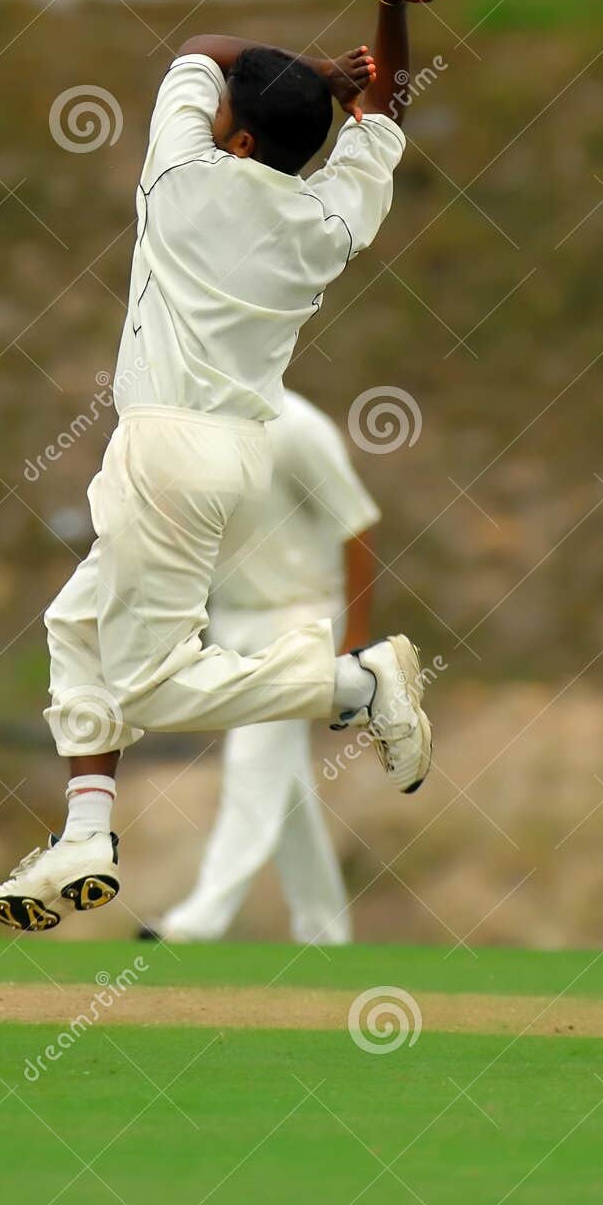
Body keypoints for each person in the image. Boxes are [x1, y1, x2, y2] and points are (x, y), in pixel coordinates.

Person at [0, 0, 450, 934]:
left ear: (233, 136)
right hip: (231, 450)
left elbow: (198, 45)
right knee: (77, 627)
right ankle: (83, 831)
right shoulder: (328, 220)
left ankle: (357, 682)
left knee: (149, 680)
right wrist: (386, 16)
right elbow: (384, 116)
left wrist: (316, 61)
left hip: (164, 452)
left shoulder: (182, 177)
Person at [150, 389, 380, 945]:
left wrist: (354, 635)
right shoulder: (189, 429)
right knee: (285, 781)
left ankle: (200, 920)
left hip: (302, 620)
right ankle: (324, 930)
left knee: (253, 765)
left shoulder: (298, 426)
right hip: (236, 623)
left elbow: (357, 525)